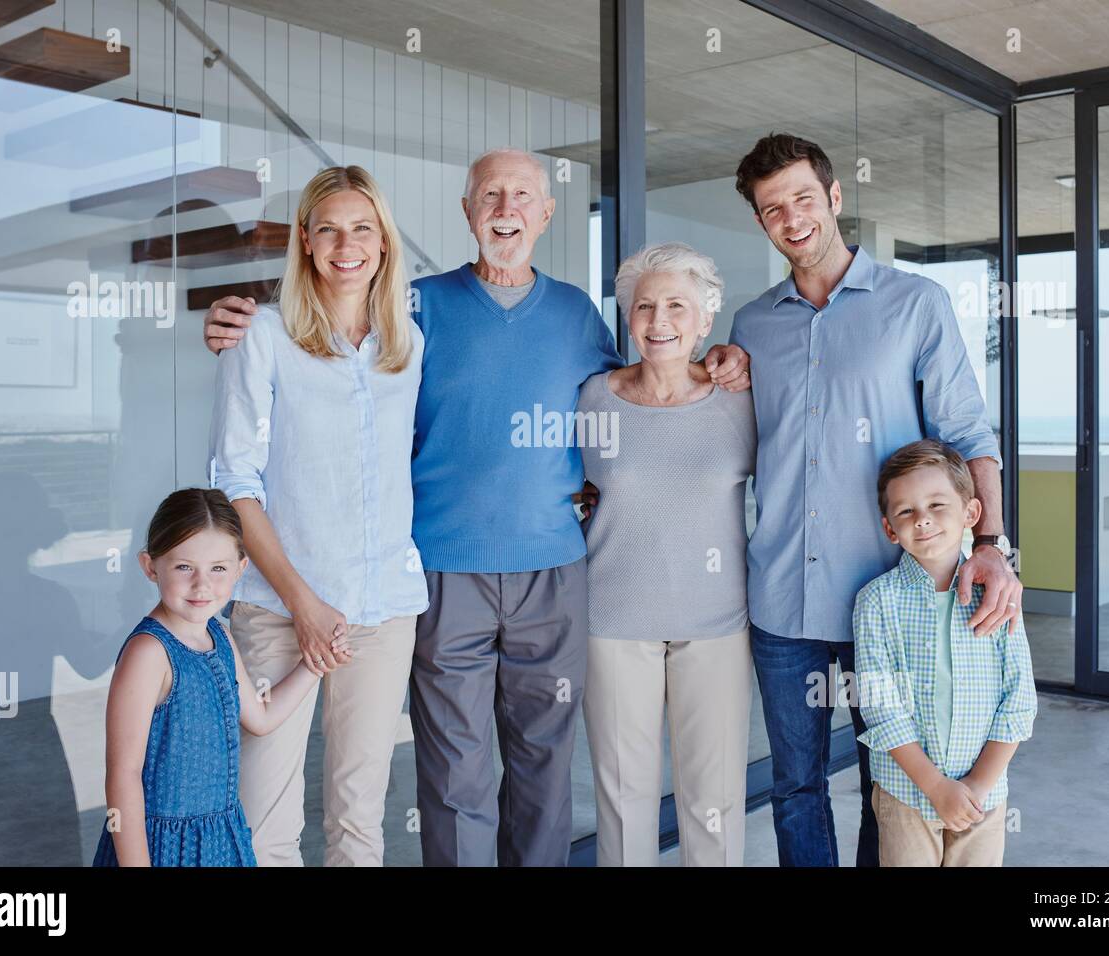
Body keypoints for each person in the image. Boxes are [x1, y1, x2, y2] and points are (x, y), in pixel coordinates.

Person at [204, 147, 751, 867]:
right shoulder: (414, 306)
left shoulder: (576, 314)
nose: (505, 210)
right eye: (489, 195)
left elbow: (629, 387)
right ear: (467, 213)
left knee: (544, 774)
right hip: (440, 574)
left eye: (522, 196)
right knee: (455, 776)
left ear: (547, 214)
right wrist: (233, 317)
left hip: (552, 573)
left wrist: (719, 360)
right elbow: (325, 321)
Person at [729, 132, 1021, 867]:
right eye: (772, 209)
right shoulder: (750, 326)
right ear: (761, 223)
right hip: (782, 601)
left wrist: (991, 548)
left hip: (892, 601)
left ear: (833, 196)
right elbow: (729, 443)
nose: (792, 218)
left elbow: (967, 436)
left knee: (887, 781)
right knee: (794, 787)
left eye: (802, 198)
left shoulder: (915, 304)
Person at [208, 165, 428, 866]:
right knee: (265, 821)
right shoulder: (262, 336)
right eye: (327, 228)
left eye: (362, 227)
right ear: (304, 241)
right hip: (279, 611)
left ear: (385, 243)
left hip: (383, 610)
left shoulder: (408, 346)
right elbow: (235, 484)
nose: (346, 243)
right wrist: (304, 606)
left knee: (361, 819)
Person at [576, 242, 756, 866]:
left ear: (707, 320)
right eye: (644, 306)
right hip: (615, 620)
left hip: (716, 625)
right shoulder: (593, 397)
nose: (659, 321)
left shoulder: (741, 397)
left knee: (716, 801)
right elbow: (561, 488)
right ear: (627, 317)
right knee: (623, 802)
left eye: (678, 306)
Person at [94, 488, 329, 867]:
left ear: (240, 568)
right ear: (150, 566)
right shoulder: (148, 653)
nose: (202, 585)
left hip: (222, 840)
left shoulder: (219, 635)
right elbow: (123, 776)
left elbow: (261, 717)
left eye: (218, 568)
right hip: (161, 850)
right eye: (184, 567)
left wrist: (312, 665)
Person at [854, 439, 1036, 866]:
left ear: (971, 513)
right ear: (889, 528)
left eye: (937, 505)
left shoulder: (997, 594)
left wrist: (976, 787)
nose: (922, 521)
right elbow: (881, 709)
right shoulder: (877, 602)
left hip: (985, 799)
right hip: (905, 794)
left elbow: (1019, 700)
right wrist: (936, 788)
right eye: (906, 512)